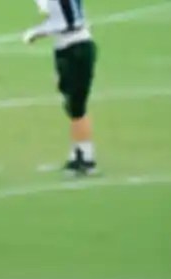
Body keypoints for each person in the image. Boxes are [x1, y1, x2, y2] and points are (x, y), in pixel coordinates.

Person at [23, 0, 99, 176]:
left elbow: (66, 23)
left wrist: (35, 33)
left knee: (77, 106)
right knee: (71, 105)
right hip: (65, 49)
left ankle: (86, 158)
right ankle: (78, 153)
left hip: (77, 47)